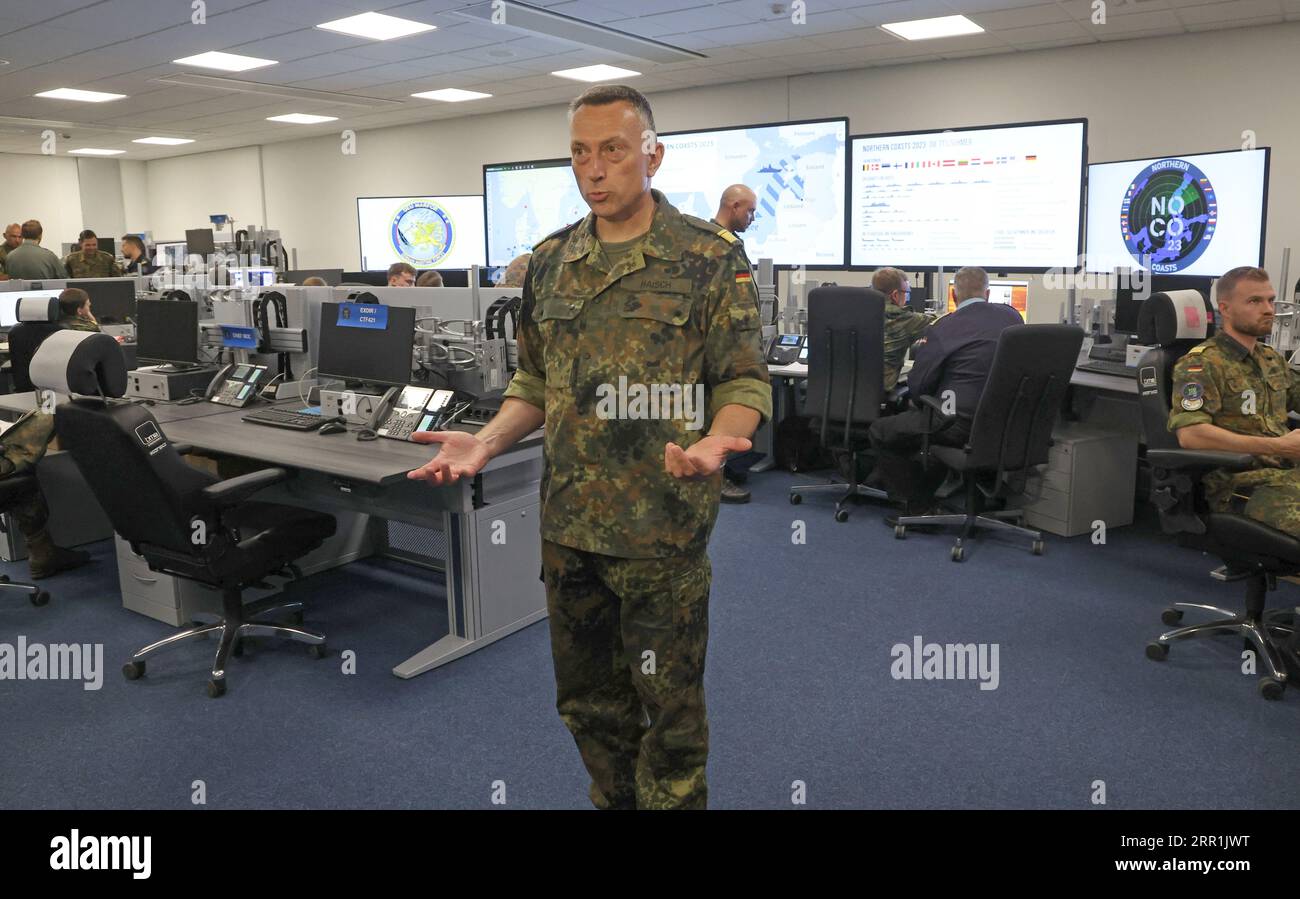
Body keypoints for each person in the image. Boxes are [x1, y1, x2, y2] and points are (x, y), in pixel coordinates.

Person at [407, 84, 770, 810]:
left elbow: (741, 376)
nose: (595, 169)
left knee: (669, 715)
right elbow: (535, 380)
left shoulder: (708, 257)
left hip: (662, 533)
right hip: (570, 532)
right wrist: (485, 440)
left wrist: (723, 437)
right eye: (580, 152)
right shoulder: (549, 262)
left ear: (652, 156)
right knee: (588, 707)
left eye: (613, 149)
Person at [868, 266, 1021, 519]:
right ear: (988, 293)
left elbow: (919, 386)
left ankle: (918, 507)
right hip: (1005, 422)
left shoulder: (943, 327)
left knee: (882, 431)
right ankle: (975, 494)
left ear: (953, 297)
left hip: (957, 422)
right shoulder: (1013, 318)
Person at [1168, 266, 1300, 537]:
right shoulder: (1201, 363)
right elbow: (1191, 435)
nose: (1268, 309)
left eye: (1270, 300)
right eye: (1254, 301)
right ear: (1225, 309)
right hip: (1243, 485)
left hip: (1288, 474)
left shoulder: (1270, 358)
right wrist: (1278, 446)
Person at [0, 288, 97, 579]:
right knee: (23, 474)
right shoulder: (66, 332)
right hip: (52, 402)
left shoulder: (17, 333)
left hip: (38, 400)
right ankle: (43, 554)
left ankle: (43, 553)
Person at [710, 184, 759, 504]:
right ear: (734, 205)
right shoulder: (715, 245)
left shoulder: (722, 242)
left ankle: (723, 469)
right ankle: (717, 478)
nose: (753, 218)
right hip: (721, 346)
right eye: (750, 211)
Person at [873, 267, 934, 392]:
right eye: (906, 293)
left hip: (839, 394)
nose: (907, 297)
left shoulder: (854, 311)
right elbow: (941, 322)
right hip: (880, 393)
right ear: (895, 295)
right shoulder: (903, 318)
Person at [3, 220, 68, 280]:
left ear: (22, 235)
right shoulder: (49, 256)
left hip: (17, 292)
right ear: (40, 235)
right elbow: (64, 278)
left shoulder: (10, 256)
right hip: (44, 292)